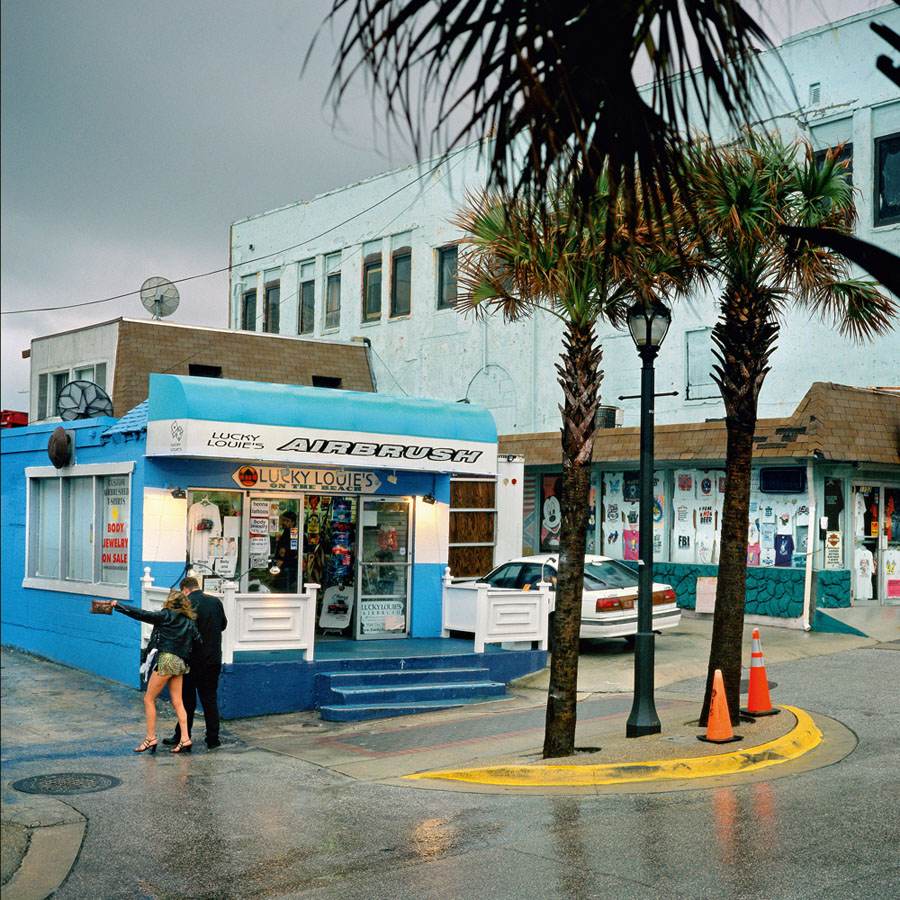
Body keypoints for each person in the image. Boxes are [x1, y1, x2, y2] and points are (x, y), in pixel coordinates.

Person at [111, 591, 201, 754]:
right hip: (180, 662)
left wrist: (119, 605)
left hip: (166, 659)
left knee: (149, 699)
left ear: (169, 602)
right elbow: (198, 640)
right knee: (178, 702)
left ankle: (151, 738)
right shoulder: (189, 621)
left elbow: (142, 614)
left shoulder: (165, 615)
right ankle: (185, 738)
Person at [163, 576, 227, 750]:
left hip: (191, 660)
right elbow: (223, 625)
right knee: (210, 700)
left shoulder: (186, 604)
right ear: (197, 586)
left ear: (184, 589)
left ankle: (183, 736)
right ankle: (213, 739)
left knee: (187, 701)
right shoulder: (215, 602)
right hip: (213, 659)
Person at [273, 509, 299, 591]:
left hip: (285, 570)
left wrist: (275, 571)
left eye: (288, 521)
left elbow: (281, 556)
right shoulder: (292, 533)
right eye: (284, 520)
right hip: (291, 569)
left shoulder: (288, 535)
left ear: (293, 522)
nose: (285, 523)